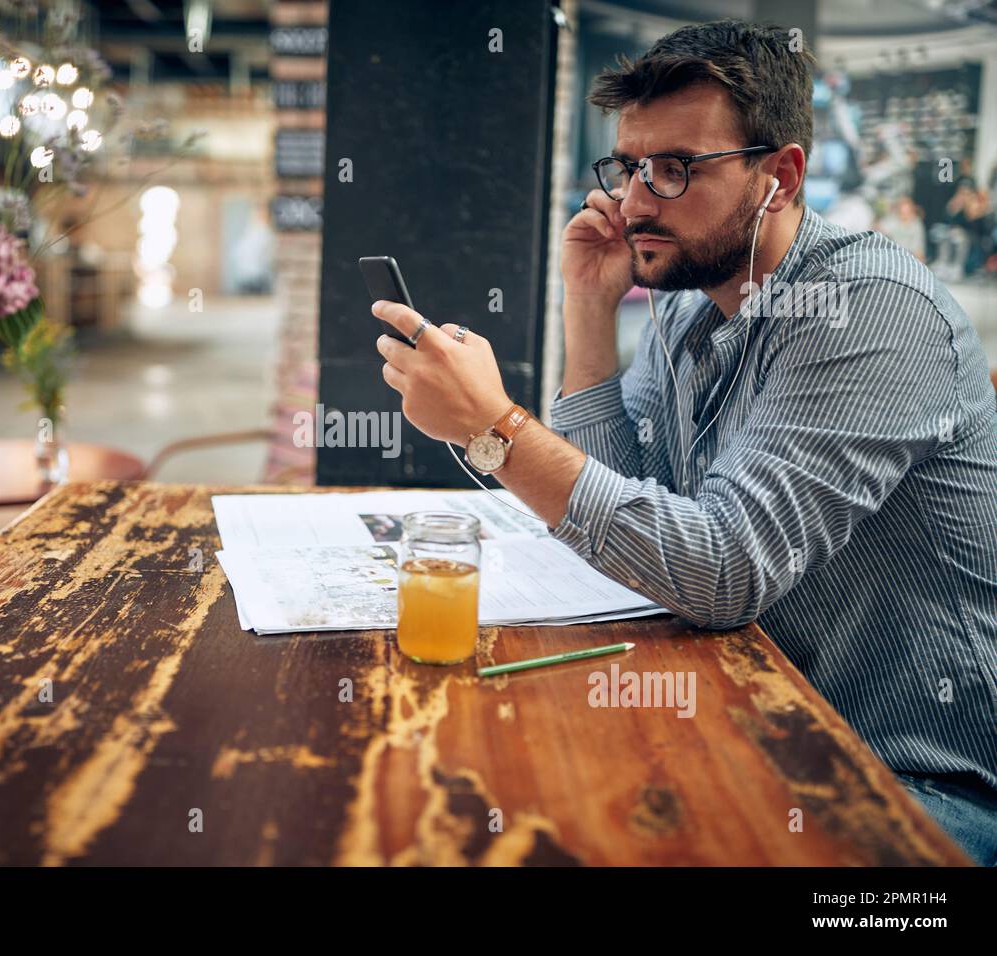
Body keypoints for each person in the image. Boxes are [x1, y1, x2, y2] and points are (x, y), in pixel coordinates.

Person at [371, 20, 997, 865]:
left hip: (906, 785)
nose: (633, 203)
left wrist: (497, 429)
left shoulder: (867, 312)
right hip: (748, 717)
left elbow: (721, 571)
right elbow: (632, 520)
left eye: (675, 170)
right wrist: (589, 311)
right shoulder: (687, 301)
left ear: (781, 177)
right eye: (629, 167)